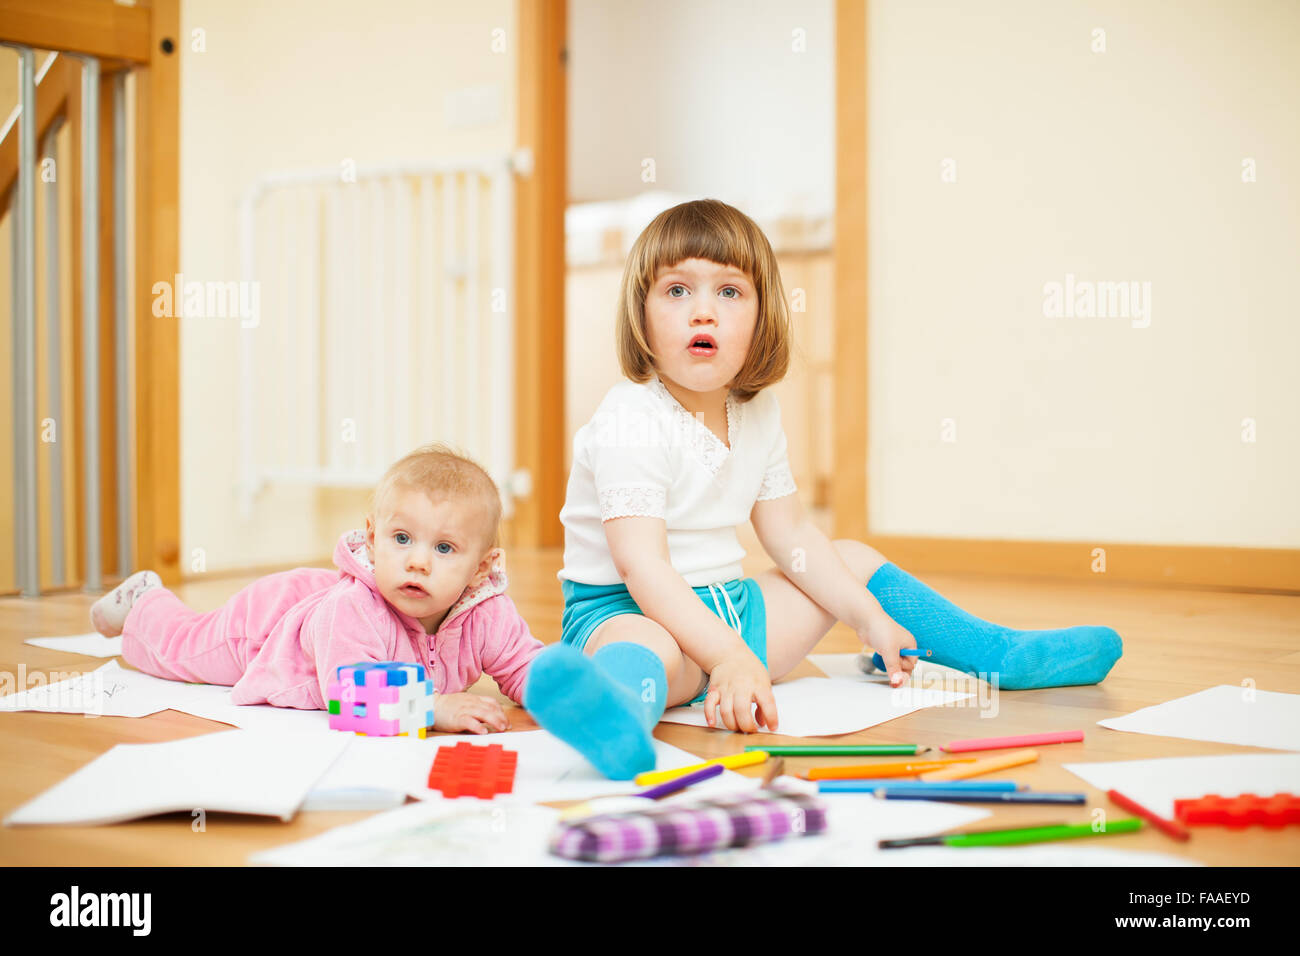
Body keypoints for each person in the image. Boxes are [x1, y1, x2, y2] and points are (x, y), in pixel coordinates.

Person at [524, 198, 1122, 778]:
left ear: (761, 319)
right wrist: (728, 659)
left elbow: (790, 535)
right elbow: (642, 568)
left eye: (728, 292)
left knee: (853, 560)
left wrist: (866, 617)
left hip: (730, 611)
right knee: (647, 643)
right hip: (626, 614)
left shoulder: (756, 412)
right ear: (642, 313)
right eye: (677, 291)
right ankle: (616, 717)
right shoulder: (630, 417)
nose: (702, 312)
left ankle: (999, 654)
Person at [92, 442, 543, 734]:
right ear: (372, 538)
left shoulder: (486, 614)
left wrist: (566, 691)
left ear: (481, 569)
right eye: (401, 539)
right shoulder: (353, 611)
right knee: (181, 649)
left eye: (444, 548)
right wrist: (435, 707)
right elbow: (350, 696)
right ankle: (145, 601)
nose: (417, 561)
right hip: (266, 628)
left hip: (309, 611)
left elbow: (525, 664)